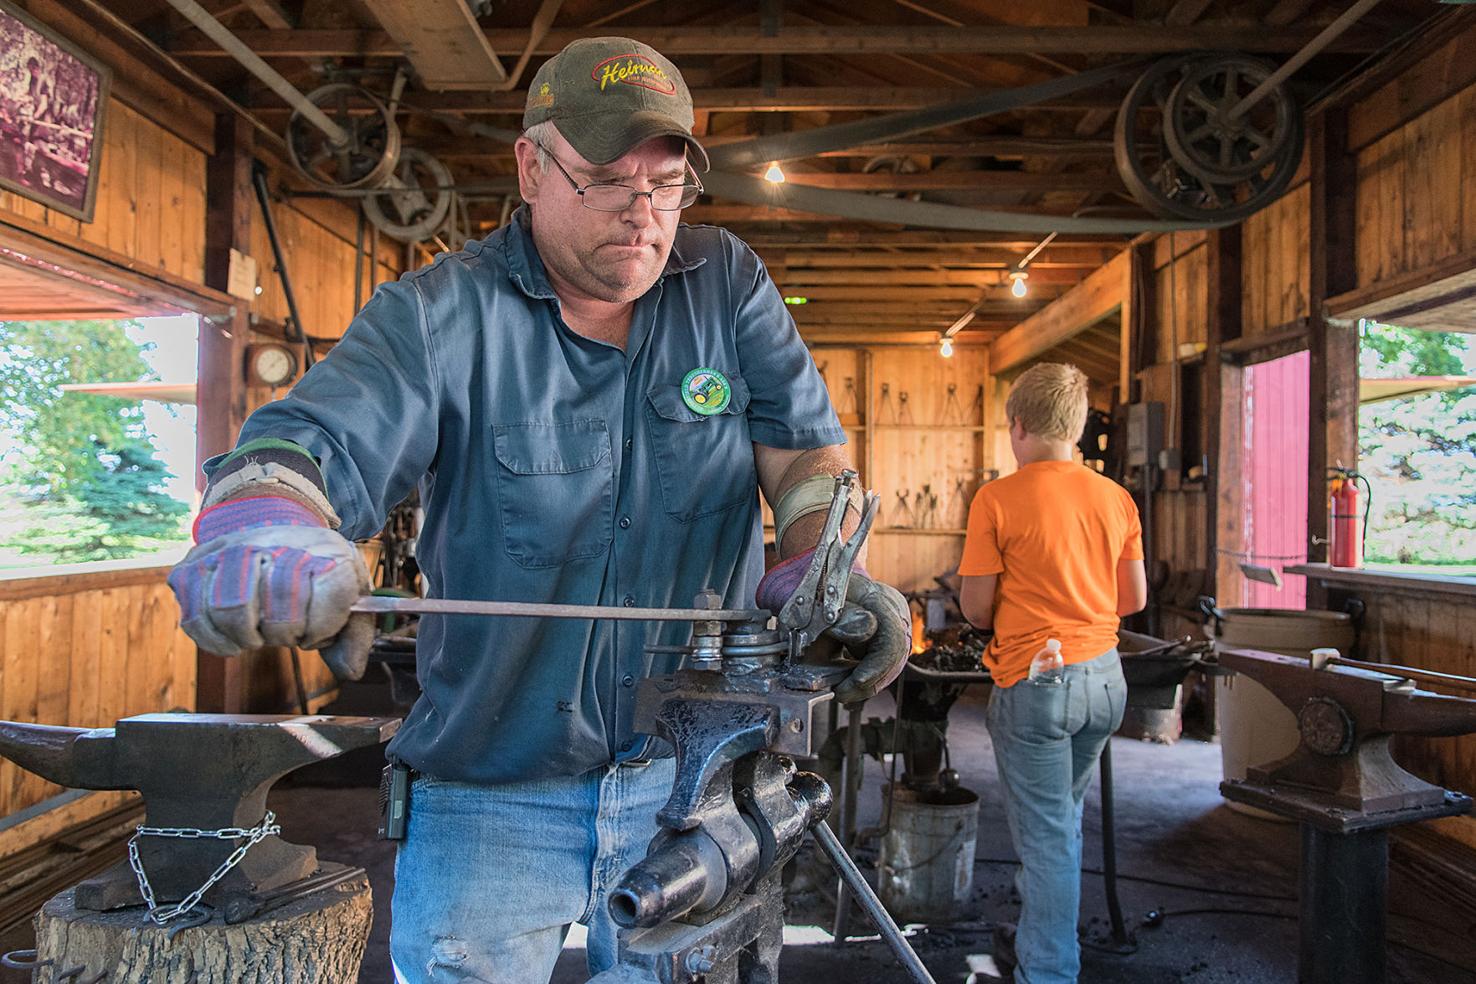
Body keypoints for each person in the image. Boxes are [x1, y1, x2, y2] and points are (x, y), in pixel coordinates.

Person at [166, 36, 911, 984]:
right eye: (605, 180)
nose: (644, 216)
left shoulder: (726, 283)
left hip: (695, 787)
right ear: (532, 165)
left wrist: (817, 562)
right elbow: (315, 441)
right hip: (489, 799)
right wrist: (259, 521)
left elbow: (805, 451)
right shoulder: (438, 316)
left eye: (666, 185)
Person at [956, 363, 1147, 984]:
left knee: (1046, 840)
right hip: (1105, 681)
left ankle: (1050, 972)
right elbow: (1134, 598)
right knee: (1060, 824)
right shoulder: (1115, 497)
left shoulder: (998, 497)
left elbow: (978, 609)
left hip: (1037, 685)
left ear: (1017, 426)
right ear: (1078, 427)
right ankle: (1042, 937)